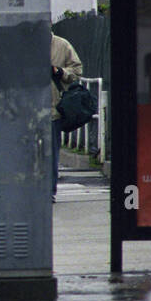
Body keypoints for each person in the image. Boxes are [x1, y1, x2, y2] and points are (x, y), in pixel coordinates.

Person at [51, 33, 83, 202]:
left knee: (51, 154)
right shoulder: (24, 44)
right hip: (25, 111)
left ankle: (50, 191)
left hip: (52, 110)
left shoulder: (62, 45)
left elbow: (77, 71)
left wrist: (60, 72)